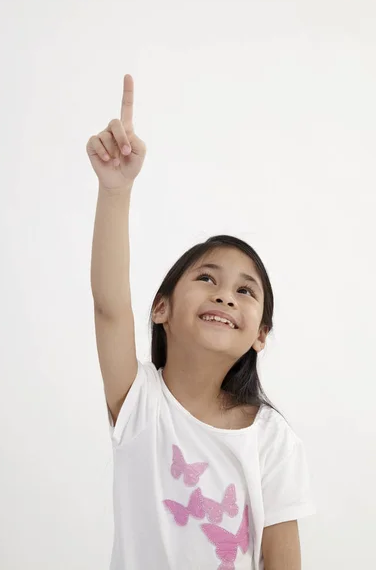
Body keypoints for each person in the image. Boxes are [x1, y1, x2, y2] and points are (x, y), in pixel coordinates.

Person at [86, 74, 316, 570]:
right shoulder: (138, 402)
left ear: (260, 335)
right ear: (160, 308)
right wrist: (115, 190)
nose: (225, 296)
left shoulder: (271, 439)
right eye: (207, 278)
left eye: (245, 290)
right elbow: (108, 305)